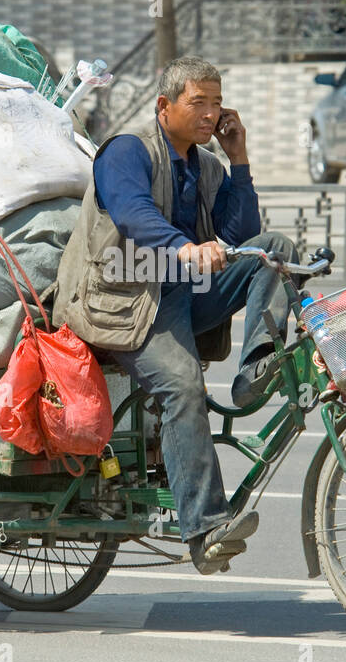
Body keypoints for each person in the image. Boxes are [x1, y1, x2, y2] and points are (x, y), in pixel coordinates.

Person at [53, 56, 301, 574]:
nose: (211, 114)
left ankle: (256, 367)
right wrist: (182, 248)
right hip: (122, 301)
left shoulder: (205, 164)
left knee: (272, 248)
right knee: (184, 389)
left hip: (181, 291)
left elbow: (237, 236)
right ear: (165, 106)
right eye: (199, 102)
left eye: (217, 103)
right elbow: (132, 213)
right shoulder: (127, 151)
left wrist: (240, 162)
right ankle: (206, 529)